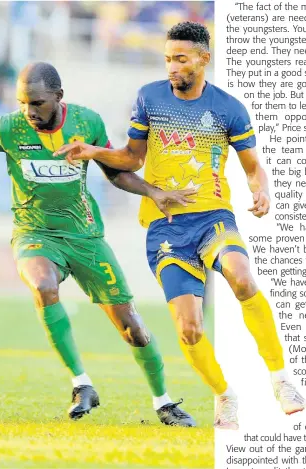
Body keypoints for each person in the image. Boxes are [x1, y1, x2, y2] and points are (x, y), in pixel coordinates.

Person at [53, 22, 305, 429]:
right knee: (189, 330)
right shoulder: (149, 97)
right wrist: (94, 151)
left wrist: (261, 191)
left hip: (213, 217)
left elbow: (253, 167)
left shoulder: (228, 108)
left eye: (181, 58)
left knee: (242, 279)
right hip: (167, 227)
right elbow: (132, 158)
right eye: (168, 58)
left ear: (204, 59)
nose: (172, 66)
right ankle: (224, 395)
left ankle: (281, 379)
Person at [0, 62, 198, 426]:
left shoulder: (87, 123)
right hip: (35, 234)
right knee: (43, 285)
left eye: (38, 103)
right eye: (23, 102)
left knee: (133, 328)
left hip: (86, 238)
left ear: (59, 97)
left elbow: (116, 171)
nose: (29, 111)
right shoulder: (7, 128)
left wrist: (153, 192)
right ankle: (82, 384)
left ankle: (164, 402)